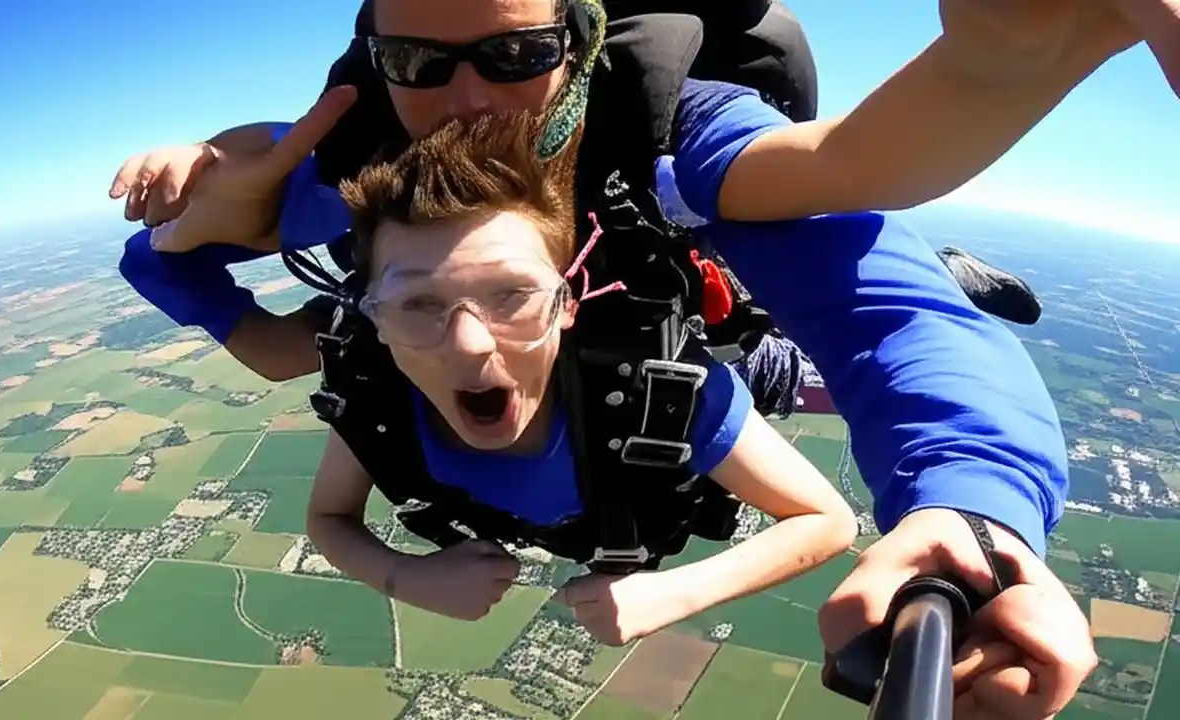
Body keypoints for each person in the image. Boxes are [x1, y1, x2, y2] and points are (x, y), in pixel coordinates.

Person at [111, 0, 1167, 715]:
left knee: (756, 363)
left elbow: (857, 224)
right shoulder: (374, 176)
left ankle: (947, 272)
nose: (466, 103)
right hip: (585, 361)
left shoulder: (661, 134)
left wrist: (974, 507)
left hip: (680, 338)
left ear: (576, 41)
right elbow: (256, 314)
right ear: (375, 60)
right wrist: (199, 209)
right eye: (416, 63)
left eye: (516, 55)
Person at [305, 109, 858, 644]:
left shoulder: (657, 390)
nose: (469, 343)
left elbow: (827, 518)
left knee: (776, 373)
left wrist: (674, 594)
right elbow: (329, 518)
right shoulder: (378, 393)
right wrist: (405, 578)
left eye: (512, 294)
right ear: (374, 319)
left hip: (695, 389)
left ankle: (791, 352)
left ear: (568, 301)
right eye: (417, 303)